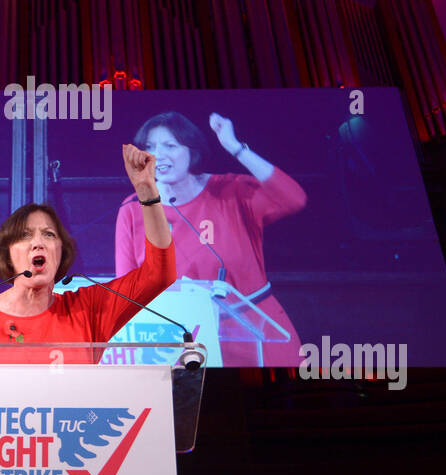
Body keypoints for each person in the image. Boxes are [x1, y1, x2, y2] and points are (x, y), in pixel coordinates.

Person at [0, 143, 177, 363]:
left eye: (49, 235)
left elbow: (159, 275)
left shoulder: (88, 310)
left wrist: (146, 191)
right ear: (7, 254)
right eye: (26, 235)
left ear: (61, 253)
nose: (38, 243)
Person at [115, 111, 306, 366]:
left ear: (192, 152)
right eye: (149, 147)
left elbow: (294, 199)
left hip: (258, 333)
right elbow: (126, 295)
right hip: (183, 344)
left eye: (170, 145)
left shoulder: (230, 192)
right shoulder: (132, 210)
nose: (157, 155)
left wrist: (236, 148)